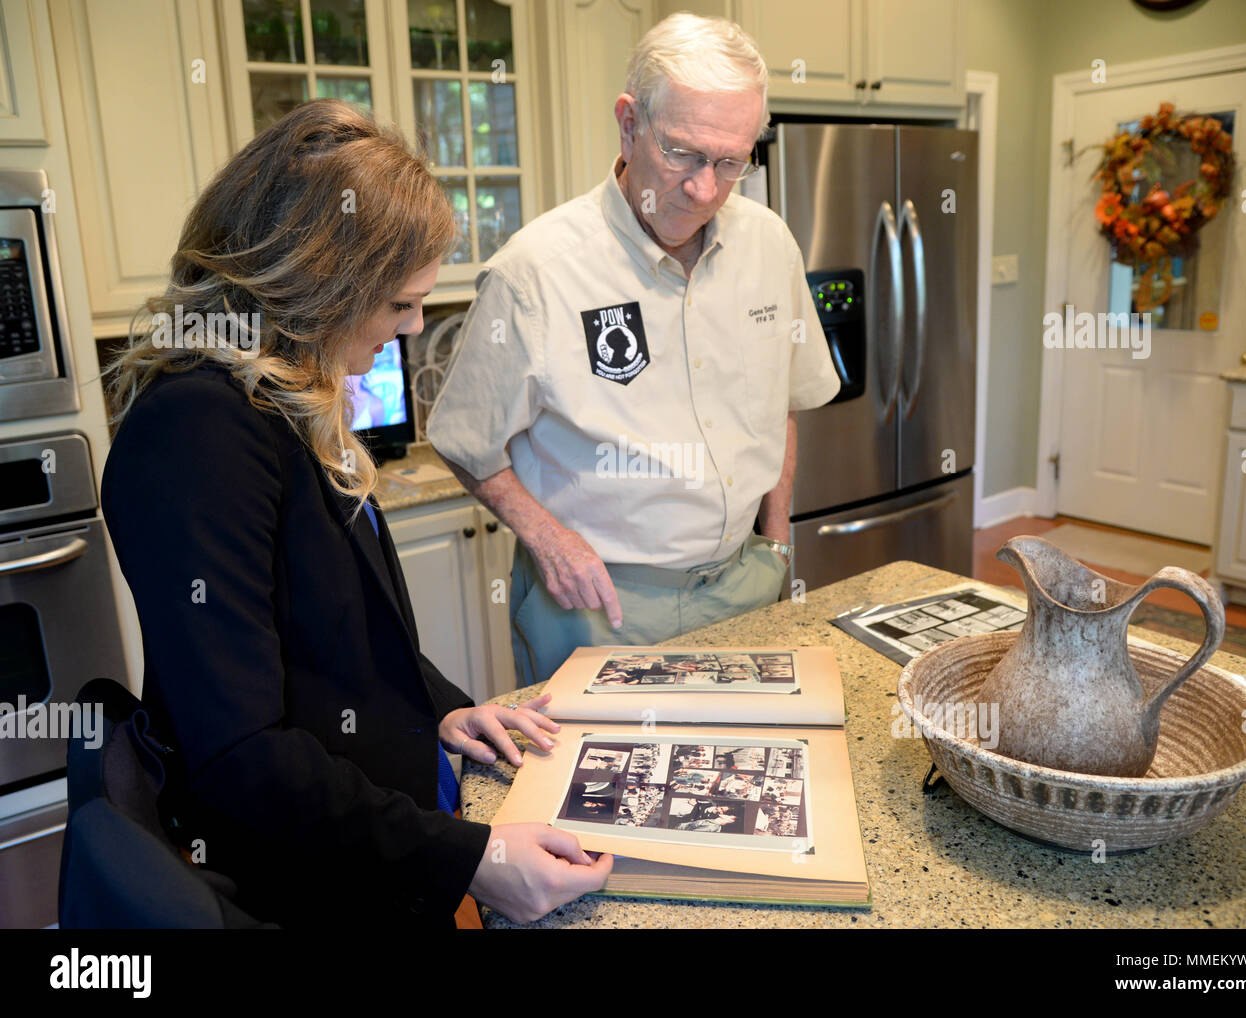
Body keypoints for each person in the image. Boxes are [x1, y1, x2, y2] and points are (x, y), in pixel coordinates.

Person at [100, 99, 612, 928]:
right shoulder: (197, 431)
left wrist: (440, 703)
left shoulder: (282, 395)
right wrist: (474, 860)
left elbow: (345, 638)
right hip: (306, 888)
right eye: (399, 305)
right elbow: (242, 757)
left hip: (371, 852)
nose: (411, 328)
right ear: (317, 285)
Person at [426, 13, 840, 685]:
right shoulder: (536, 270)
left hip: (746, 582)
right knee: (600, 792)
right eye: (683, 153)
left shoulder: (771, 245)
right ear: (629, 122)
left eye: (731, 161)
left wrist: (776, 537)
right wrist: (548, 541)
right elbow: (463, 437)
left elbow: (786, 399)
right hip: (595, 605)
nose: (706, 188)